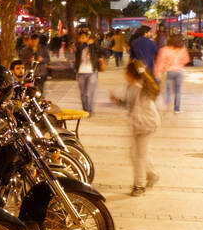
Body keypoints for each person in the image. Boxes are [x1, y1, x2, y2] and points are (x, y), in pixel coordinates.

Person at [111, 59, 161, 196]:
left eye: (126, 71)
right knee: (140, 153)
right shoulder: (133, 86)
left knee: (138, 156)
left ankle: (139, 186)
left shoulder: (140, 87)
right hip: (140, 124)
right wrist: (117, 100)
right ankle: (152, 175)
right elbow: (129, 103)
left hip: (146, 124)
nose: (124, 74)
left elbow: (138, 105)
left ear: (130, 73)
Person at [155, 33, 190, 113]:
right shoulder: (182, 49)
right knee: (177, 91)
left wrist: (158, 72)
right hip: (179, 71)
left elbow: (160, 62)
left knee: (168, 90)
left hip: (169, 72)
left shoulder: (164, 49)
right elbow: (186, 60)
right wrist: (179, 63)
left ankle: (166, 106)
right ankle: (177, 109)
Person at [73, 27, 104, 114]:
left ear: (87, 37)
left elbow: (105, 51)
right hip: (80, 73)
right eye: (81, 37)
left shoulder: (93, 46)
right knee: (83, 94)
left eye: (84, 37)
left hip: (92, 72)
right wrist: (86, 43)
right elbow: (78, 49)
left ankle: (89, 110)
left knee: (89, 93)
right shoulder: (78, 46)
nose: (82, 39)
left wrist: (100, 57)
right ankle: (85, 109)